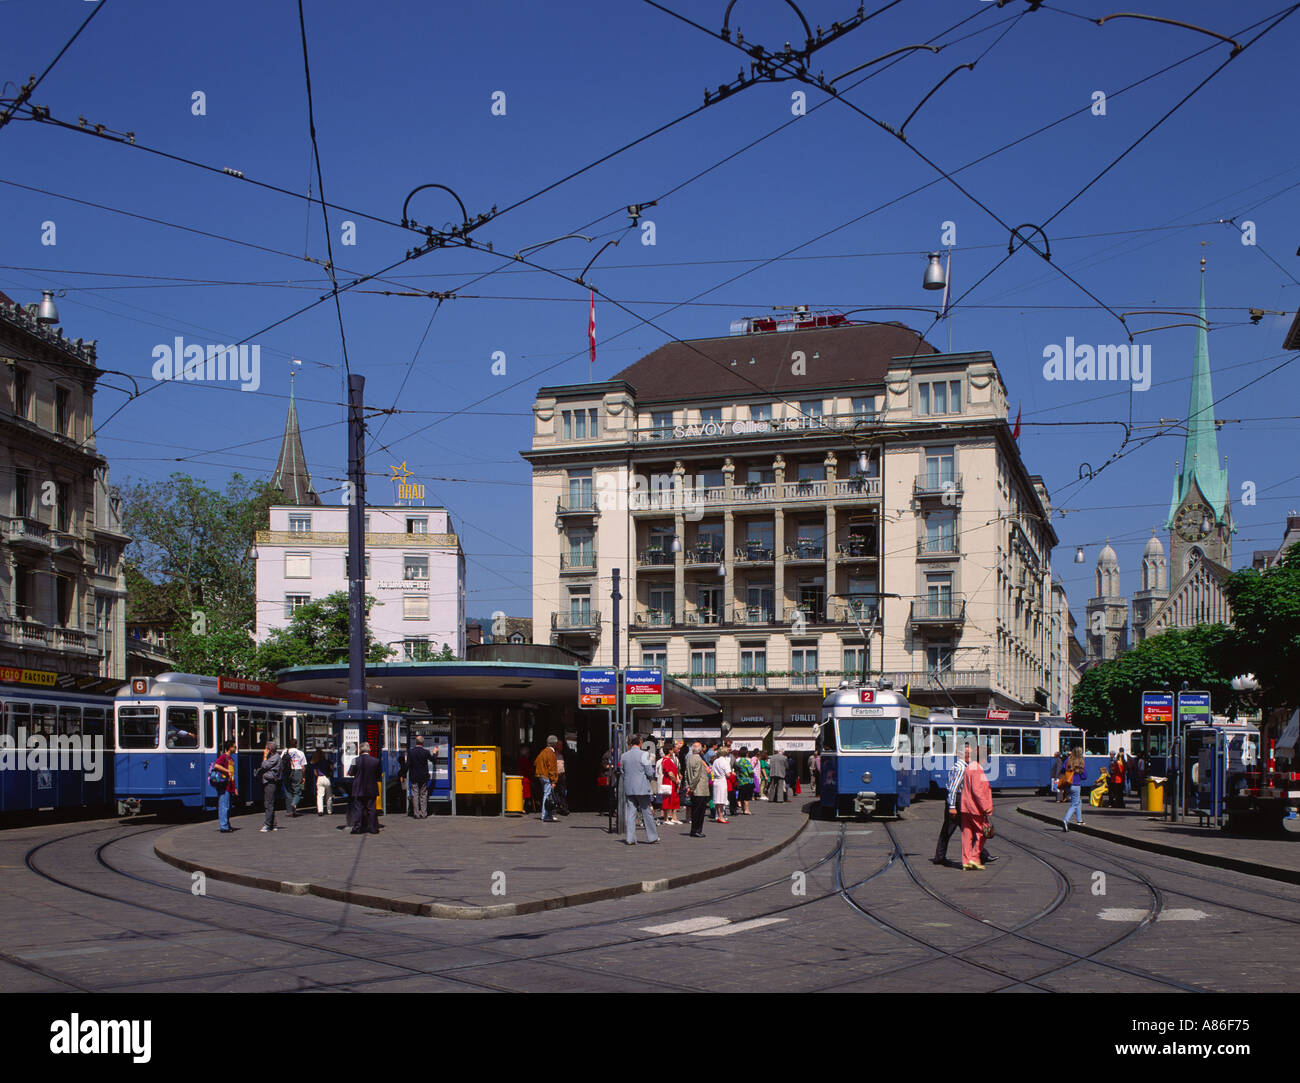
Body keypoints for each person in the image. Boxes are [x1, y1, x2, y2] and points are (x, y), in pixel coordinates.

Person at [619, 734, 660, 845]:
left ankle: (630, 838)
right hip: (642, 787)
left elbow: (622, 771)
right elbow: (649, 772)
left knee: (631, 812)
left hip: (629, 787)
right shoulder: (644, 755)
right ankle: (652, 836)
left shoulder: (624, 756)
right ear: (640, 742)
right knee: (646, 812)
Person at [933, 743, 969, 866]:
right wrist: (952, 806)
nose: (970, 755)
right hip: (956, 801)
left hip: (956, 801)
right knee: (961, 828)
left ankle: (939, 856)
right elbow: (953, 788)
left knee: (958, 829)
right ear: (961, 754)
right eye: (968, 753)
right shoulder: (960, 767)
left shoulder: (962, 766)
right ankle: (939, 856)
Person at [959, 753, 993, 870]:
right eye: (986, 757)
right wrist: (985, 807)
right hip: (975, 808)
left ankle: (966, 861)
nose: (987, 760)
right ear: (982, 757)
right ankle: (974, 858)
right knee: (983, 832)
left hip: (965, 807)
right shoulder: (977, 769)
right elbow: (977, 790)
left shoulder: (969, 767)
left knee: (967, 834)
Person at [348, 742, 382, 834]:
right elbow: (378, 775)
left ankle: (357, 828)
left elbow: (351, 773)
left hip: (358, 788)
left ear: (360, 750)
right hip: (371, 788)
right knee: (372, 809)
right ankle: (373, 828)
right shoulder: (376, 761)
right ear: (369, 750)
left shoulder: (355, 760)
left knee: (358, 809)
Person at [255, 740, 283, 833]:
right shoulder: (274, 757)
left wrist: (264, 756)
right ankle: (273, 824)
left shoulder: (274, 757)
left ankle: (268, 824)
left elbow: (264, 765)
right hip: (270, 782)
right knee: (271, 803)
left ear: (269, 749)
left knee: (268, 803)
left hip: (270, 782)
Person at [685, 741, 711, 837]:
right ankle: (697, 830)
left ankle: (694, 830)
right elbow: (696, 776)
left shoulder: (689, 759)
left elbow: (686, 773)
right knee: (699, 812)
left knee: (695, 811)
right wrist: (691, 787)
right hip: (700, 789)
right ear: (700, 750)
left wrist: (688, 786)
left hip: (694, 789)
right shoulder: (699, 760)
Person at [405, 735, 434, 819]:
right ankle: (424, 813)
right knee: (423, 794)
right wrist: (435, 754)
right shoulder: (426, 752)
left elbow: (407, 764)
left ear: (416, 742)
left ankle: (416, 813)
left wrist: (403, 774)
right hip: (424, 776)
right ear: (423, 742)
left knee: (415, 794)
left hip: (414, 776)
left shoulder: (411, 752)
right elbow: (433, 760)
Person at [213, 739, 237, 832]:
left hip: (230, 785)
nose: (235, 748)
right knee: (224, 806)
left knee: (228, 806)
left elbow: (233, 775)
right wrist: (226, 771)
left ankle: (226, 824)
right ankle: (224, 826)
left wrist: (235, 787)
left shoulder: (231, 758)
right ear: (230, 747)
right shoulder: (223, 757)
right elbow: (216, 765)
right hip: (224, 786)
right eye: (234, 747)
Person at [535, 736, 559, 822]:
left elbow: (536, 762)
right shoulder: (551, 753)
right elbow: (552, 768)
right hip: (546, 776)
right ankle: (545, 815)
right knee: (547, 795)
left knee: (548, 795)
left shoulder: (543, 752)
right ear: (554, 744)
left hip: (541, 775)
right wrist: (553, 780)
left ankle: (548, 815)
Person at [1062, 746, 1086, 830]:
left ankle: (1079, 820)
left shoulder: (1068, 760)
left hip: (1068, 785)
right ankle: (1066, 820)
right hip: (1076, 785)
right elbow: (1084, 776)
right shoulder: (1080, 762)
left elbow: (1062, 769)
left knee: (1078, 801)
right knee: (1074, 804)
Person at [660, 739, 683, 826]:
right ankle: (666, 818)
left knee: (674, 799)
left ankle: (674, 817)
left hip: (671, 782)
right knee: (667, 800)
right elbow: (670, 773)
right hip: (669, 782)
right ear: (669, 751)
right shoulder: (667, 760)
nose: (673, 751)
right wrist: (676, 780)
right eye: (672, 750)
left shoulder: (669, 760)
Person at [282, 738, 307, 817]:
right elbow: (303, 767)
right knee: (297, 791)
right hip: (297, 771)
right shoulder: (300, 753)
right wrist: (303, 776)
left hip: (287, 772)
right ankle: (294, 804)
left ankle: (290, 811)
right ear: (296, 744)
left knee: (288, 791)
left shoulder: (285, 752)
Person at [710, 746, 731, 823]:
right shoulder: (725, 762)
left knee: (717, 799)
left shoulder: (715, 761)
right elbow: (728, 774)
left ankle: (718, 815)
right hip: (722, 780)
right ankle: (721, 816)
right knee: (722, 800)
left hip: (716, 780)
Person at [309, 749, 333, 816]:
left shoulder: (316, 762)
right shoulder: (328, 762)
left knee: (320, 795)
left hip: (320, 778)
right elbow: (332, 769)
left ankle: (320, 811)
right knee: (329, 796)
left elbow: (315, 773)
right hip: (327, 778)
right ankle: (329, 810)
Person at [735, 747, 754, 815]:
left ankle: (743, 809)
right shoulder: (746, 761)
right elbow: (750, 771)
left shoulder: (738, 762)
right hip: (747, 780)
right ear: (746, 753)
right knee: (747, 797)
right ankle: (747, 810)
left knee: (742, 796)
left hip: (741, 780)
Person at [516, 746, 534, 813]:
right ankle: (521, 807)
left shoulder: (521, 760)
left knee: (522, 794)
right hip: (525, 779)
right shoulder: (525, 760)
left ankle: (521, 807)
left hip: (522, 778)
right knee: (523, 795)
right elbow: (528, 770)